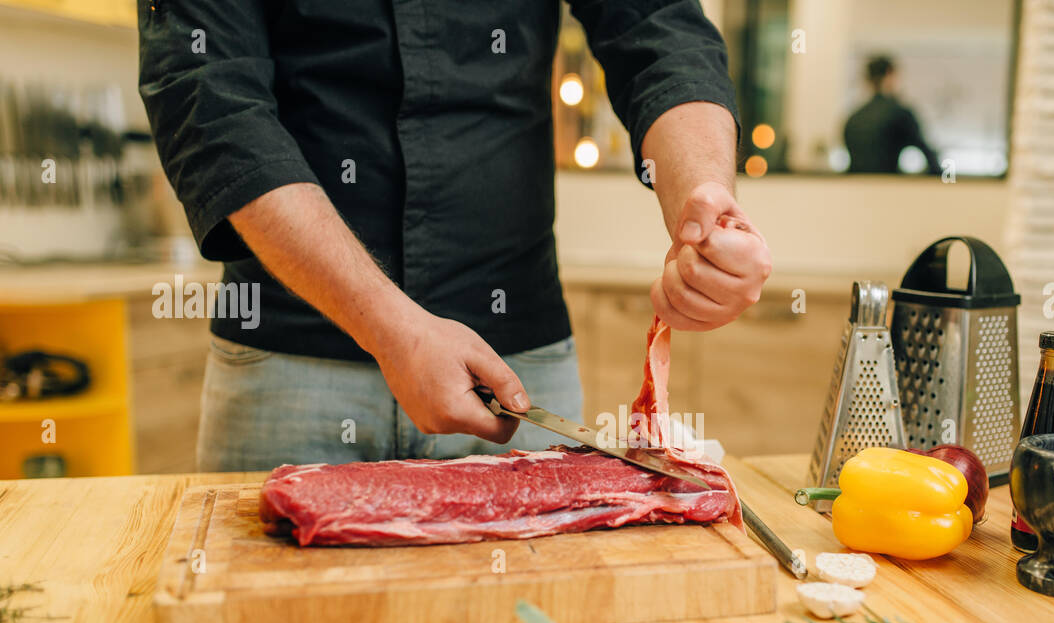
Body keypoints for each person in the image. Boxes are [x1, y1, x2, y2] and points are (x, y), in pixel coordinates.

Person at [138, 2, 772, 470]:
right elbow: (208, 94)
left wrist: (703, 202)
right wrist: (391, 327)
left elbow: (657, 29)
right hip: (288, 368)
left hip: (516, 373)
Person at [843, 55, 941, 176]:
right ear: (890, 74)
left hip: (854, 187)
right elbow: (928, 155)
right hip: (889, 187)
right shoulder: (900, 113)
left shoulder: (854, 118)